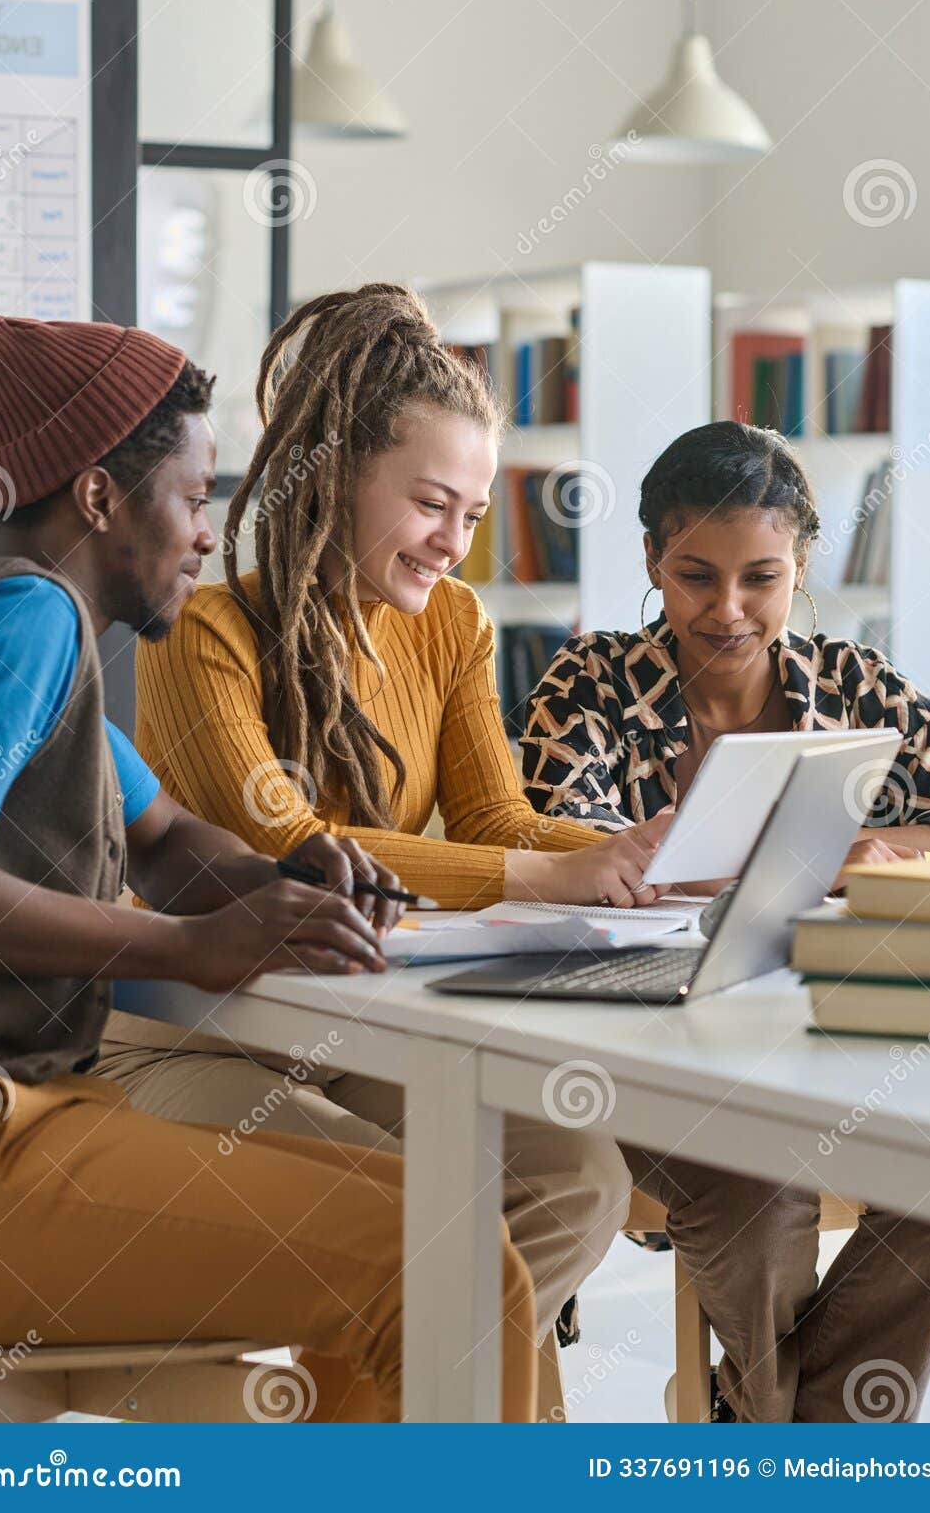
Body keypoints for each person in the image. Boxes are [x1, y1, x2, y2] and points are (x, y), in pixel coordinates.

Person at [0, 313, 540, 1424]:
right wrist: (189, 943)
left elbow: (164, 838)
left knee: (453, 1228)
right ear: (101, 498)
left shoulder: (32, 638)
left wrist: (283, 872)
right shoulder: (27, 621)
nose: (206, 535)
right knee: (451, 1262)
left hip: (18, 1123)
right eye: (194, 500)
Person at [93, 284, 656, 1417]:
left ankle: (404, 1433)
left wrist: (635, 852)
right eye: (432, 503)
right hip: (199, 1034)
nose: (456, 543)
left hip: (362, 1026)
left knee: (572, 1177)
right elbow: (296, 851)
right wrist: (551, 875)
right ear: (341, 474)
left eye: (475, 510)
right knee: (423, 1210)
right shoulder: (208, 633)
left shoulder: (452, 625)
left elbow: (498, 823)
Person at [522, 419, 930, 1421]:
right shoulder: (586, 688)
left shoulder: (856, 686)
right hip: (640, 1052)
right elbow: (564, 856)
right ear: (649, 560)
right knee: (757, 1181)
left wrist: (896, 850)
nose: (727, 611)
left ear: (802, 562)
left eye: (760, 577)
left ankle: (765, 1428)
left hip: (821, 1044)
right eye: (693, 576)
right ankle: (794, 1446)